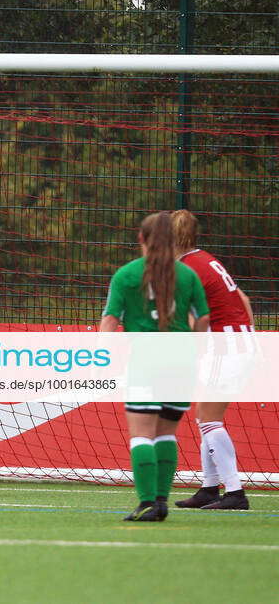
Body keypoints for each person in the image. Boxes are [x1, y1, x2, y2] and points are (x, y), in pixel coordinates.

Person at [100, 211, 210, 521]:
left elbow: (110, 321)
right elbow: (203, 317)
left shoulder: (127, 275)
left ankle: (148, 502)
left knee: (141, 434)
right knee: (166, 434)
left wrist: (104, 358)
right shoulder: (187, 275)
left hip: (146, 361)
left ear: (141, 239)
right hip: (181, 361)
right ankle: (161, 501)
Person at [171, 209, 254, 510]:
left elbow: (196, 317)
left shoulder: (186, 270)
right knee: (204, 417)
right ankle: (209, 487)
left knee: (208, 419)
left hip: (224, 346)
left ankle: (235, 493)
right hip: (236, 341)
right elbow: (243, 300)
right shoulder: (205, 259)